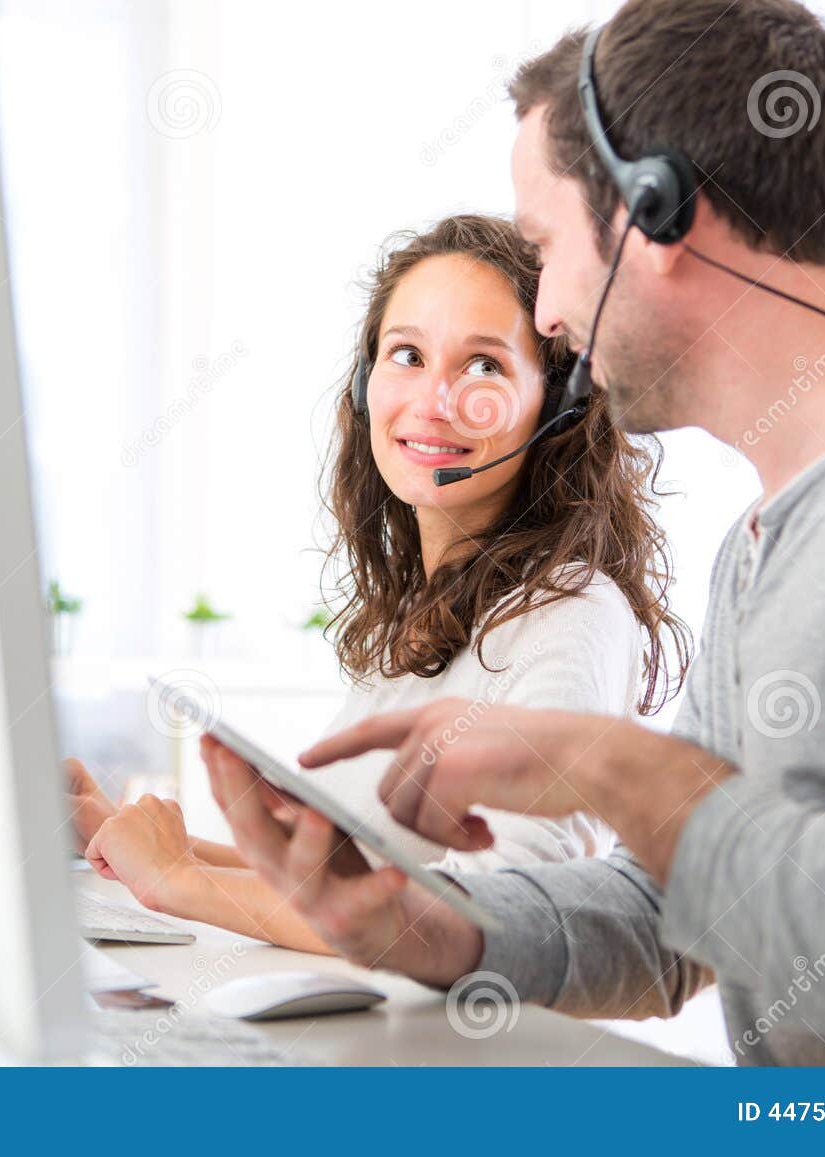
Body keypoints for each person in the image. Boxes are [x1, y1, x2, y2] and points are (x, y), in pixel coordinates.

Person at [203, 0, 825, 1064]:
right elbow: (675, 916)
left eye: (547, 246)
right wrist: (437, 926)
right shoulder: (762, 539)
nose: (548, 310)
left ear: (656, 215)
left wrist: (621, 767)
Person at [67, 212, 688, 953]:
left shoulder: (570, 611)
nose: (435, 400)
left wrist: (179, 880)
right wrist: (133, 838)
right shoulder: (430, 617)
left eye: (485, 364)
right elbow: (353, 885)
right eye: (407, 354)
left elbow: (500, 907)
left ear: (556, 411)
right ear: (365, 385)